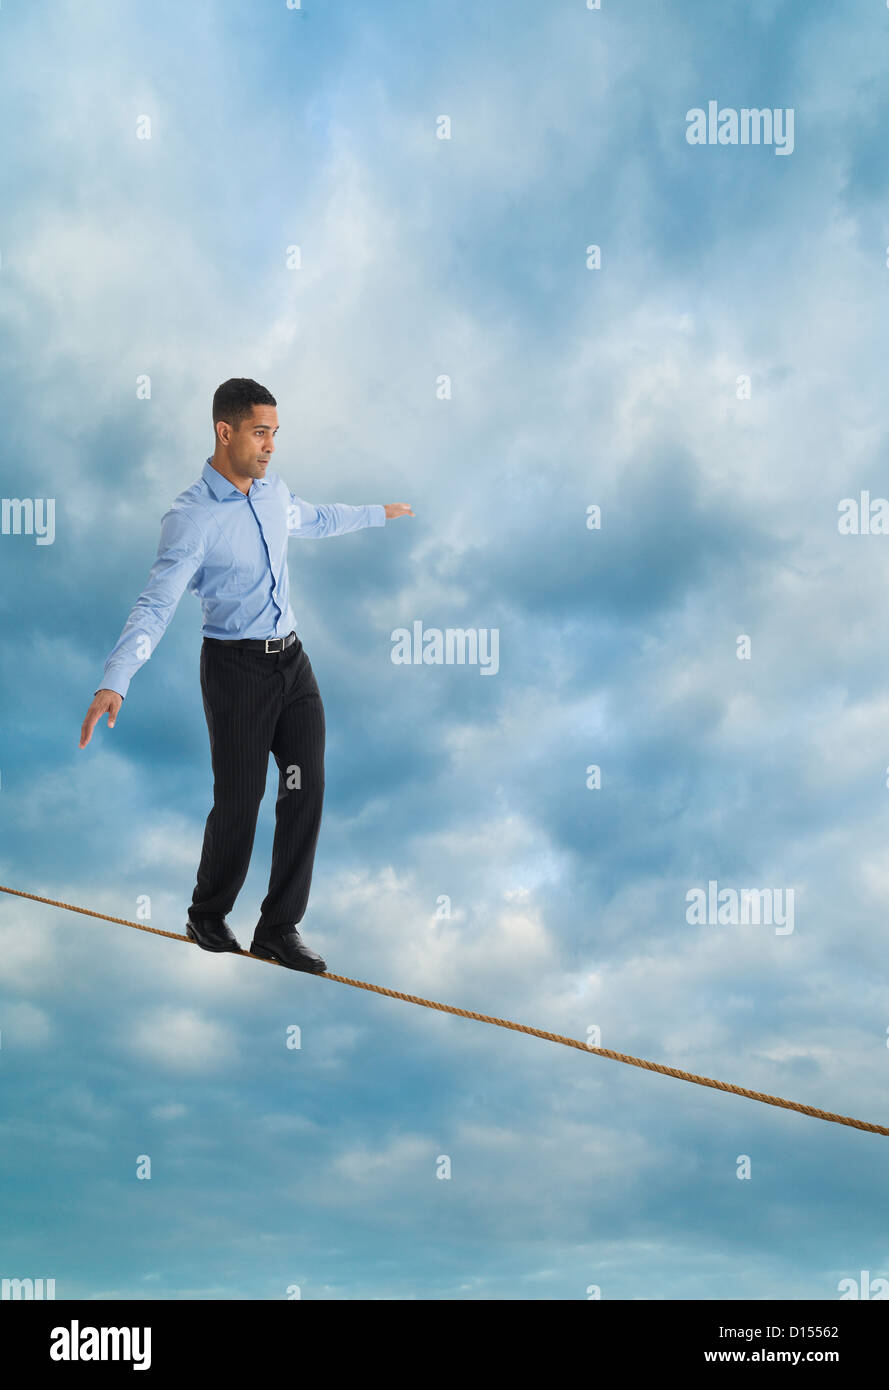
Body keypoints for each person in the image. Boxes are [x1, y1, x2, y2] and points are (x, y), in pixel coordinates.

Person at [79, 378, 413, 973]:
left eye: (276, 433)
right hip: (235, 670)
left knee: (304, 787)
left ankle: (278, 929)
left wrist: (377, 514)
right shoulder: (191, 518)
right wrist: (116, 679)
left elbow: (312, 519)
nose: (271, 446)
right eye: (261, 433)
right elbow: (156, 604)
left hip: (293, 663)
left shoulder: (272, 490)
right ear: (225, 431)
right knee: (240, 800)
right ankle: (207, 914)